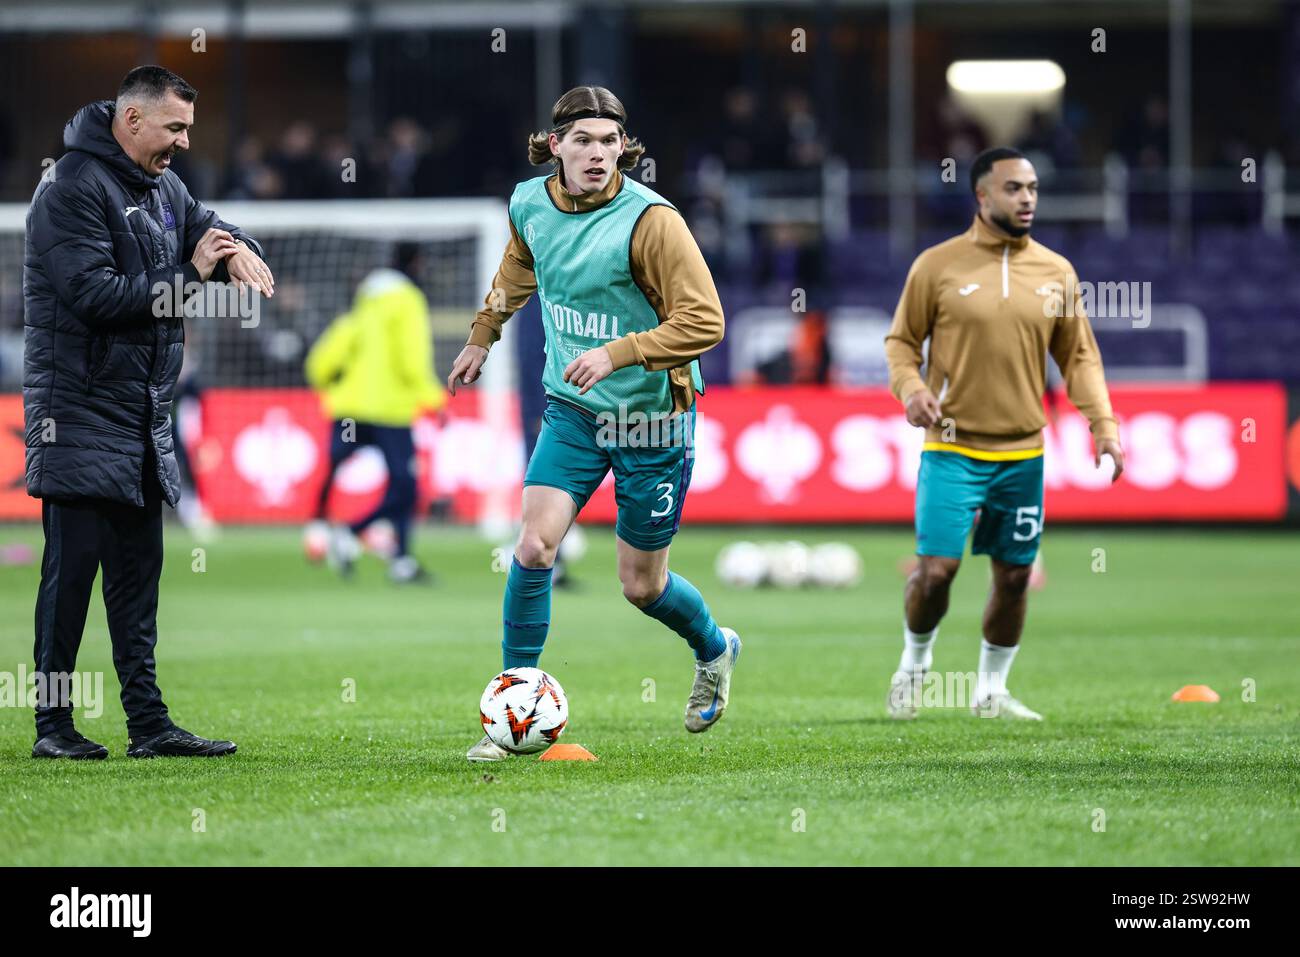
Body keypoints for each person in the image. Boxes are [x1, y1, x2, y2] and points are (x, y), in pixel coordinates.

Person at [447, 86, 738, 761]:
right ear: (555, 146)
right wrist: (482, 334)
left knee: (642, 585)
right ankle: (512, 709)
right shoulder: (528, 203)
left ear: (624, 149)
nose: (599, 154)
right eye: (584, 140)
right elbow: (518, 268)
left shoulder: (652, 222)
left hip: (651, 419)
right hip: (574, 411)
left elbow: (706, 321)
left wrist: (619, 351)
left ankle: (715, 648)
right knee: (532, 546)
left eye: (611, 142)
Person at [24, 65, 274, 758]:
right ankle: (53, 726)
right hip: (76, 414)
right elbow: (94, 297)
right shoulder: (69, 187)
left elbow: (208, 226)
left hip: (140, 415)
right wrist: (194, 273)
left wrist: (237, 254)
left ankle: (148, 724)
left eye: (187, 128)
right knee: (68, 580)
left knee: (138, 584)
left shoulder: (162, 186)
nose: (184, 142)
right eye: (175, 127)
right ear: (132, 121)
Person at [883, 146, 1125, 721]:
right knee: (937, 571)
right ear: (982, 196)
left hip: (1022, 453)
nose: (1027, 199)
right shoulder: (936, 266)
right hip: (952, 447)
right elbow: (900, 344)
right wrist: (910, 390)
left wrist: (1104, 426)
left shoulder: (1056, 271)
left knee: (1015, 577)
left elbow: (1080, 358)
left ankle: (991, 691)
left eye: (1034, 189)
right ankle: (916, 661)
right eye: (1014, 188)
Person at [303, 242, 444, 583]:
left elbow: (322, 360)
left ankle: (319, 524)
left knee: (335, 463)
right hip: (389, 410)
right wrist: (434, 399)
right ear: (417, 264)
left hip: (350, 409)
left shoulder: (362, 306)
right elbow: (411, 357)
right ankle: (378, 547)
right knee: (406, 487)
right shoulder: (408, 301)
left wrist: (329, 384)